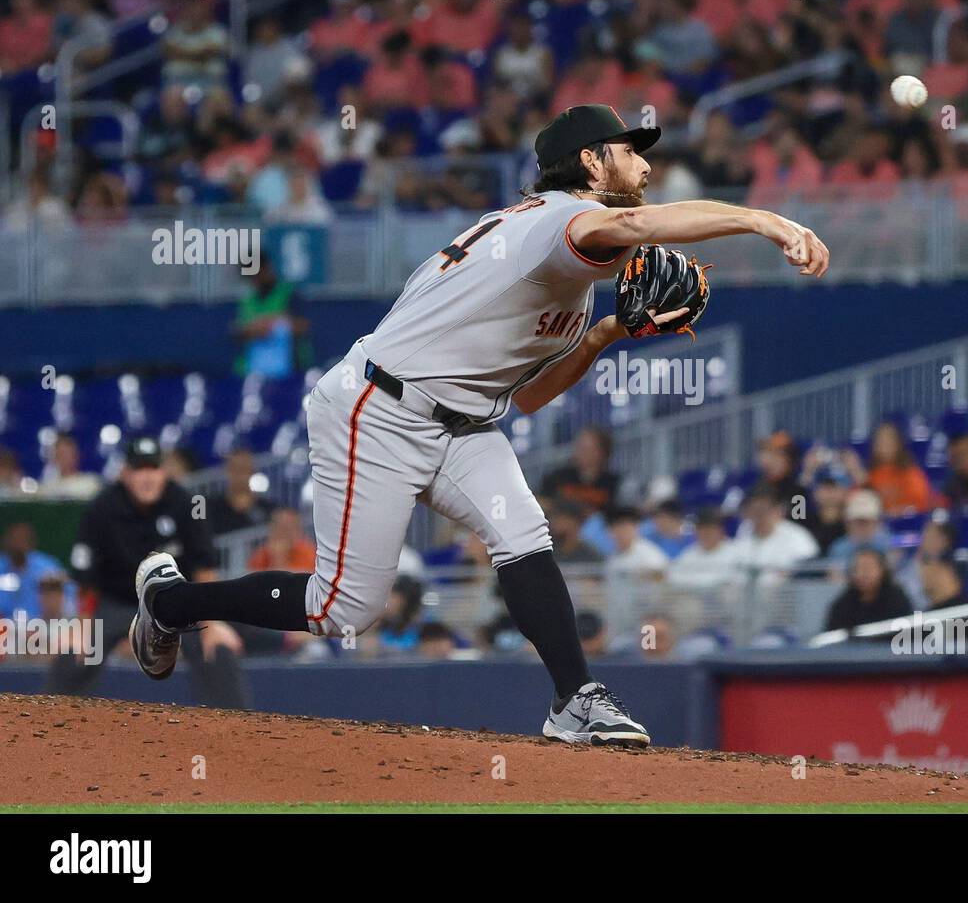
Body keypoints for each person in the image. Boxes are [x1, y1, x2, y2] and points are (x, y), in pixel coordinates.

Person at [127, 103, 829, 747]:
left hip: (462, 425)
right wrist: (766, 221)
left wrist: (607, 332)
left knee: (523, 531)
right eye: (629, 151)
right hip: (379, 408)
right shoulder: (560, 223)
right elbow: (638, 226)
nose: (645, 165)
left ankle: (574, 700)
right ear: (591, 163)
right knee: (343, 609)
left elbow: (527, 398)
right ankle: (171, 601)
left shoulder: (572, 273)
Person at [52, 437, 247, 708]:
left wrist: (211, 624)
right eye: (138, 469)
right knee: (75, 651)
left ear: (164, 472)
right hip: (118, 602)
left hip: (177, 603)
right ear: (125, 473)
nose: (147, 477)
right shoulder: (102, 507)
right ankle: (52, 730)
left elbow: (204, 566)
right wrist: (82, 625)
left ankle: (234, 732)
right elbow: (86, 576)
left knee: (217, 649)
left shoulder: (187, 503)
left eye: (153, 469)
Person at [232, 253, 312, 380]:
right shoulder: (247, 300)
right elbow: (237, 330)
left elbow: (303, 326)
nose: (254, 280)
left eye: (256, 274)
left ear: (266, 268)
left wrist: (274, 323)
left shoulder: (289, 293)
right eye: (249, 277)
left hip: (289, 369)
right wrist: (252, 330)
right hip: (253, 370)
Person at [731, 484, 821, 587]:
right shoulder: (743, 534)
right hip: (746, 599)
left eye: (764, 510)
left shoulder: (797, 536)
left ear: (777, 510)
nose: (759, 516)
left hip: (786, 598)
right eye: (754, 510)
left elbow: (808, 570)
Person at [824, 548, 913, 633]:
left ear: (882, 570)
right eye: (858, 568)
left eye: (868, 568)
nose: (862, 573)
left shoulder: (897, 600)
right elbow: (833, 636)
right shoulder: (843, 604)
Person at [540, 427, 620, 519]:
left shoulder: (613, 483)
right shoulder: (557, 477)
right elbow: (539, 501)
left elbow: (616, 515)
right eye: (579, 447)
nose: (580, 452)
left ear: (602, 452)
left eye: (587, 448)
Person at [860, 421, 932, 515]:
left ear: (898, 444)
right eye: (880, 441)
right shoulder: (870, 475)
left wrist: (896, 512)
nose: (884, 445)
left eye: (888, 440)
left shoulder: (911, 474)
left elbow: (920, 504)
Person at [669, 508, 740, 589]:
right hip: (694, 598)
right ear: (696, 531)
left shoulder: (736, 552)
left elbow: (738, 580)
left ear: (721, 531)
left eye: (711, 529)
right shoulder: (688, 554)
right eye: (702, 530)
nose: (706, 534)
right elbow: (674, 579)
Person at [605, 507, 670, 585]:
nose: (621, 533)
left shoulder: (649, 554)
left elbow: (661, 580)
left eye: (626, 528)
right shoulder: (613, 557)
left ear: (636, 528)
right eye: (617, 528)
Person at [825, 489, 891, 564]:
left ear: (877, 522)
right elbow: (834, 573)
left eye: (866, 522)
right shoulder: (838, 549)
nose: (862, 527)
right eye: (858, 522)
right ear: (847, 523)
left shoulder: (889, 545)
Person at [39, 433, 101, 500]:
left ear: (76, 455)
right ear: (54, 458)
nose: (65, 458)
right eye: (61, 454)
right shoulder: (47, 488)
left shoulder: (90, 484)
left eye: (68, 454)